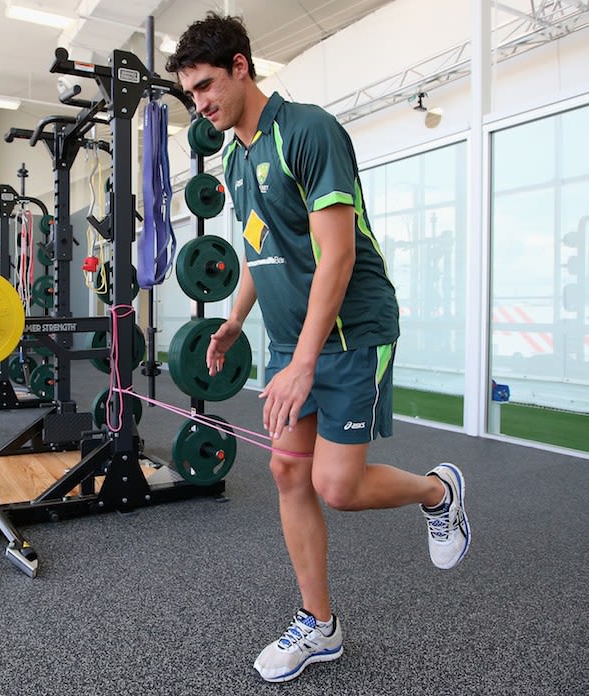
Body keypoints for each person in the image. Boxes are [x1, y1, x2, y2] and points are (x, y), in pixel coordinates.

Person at [165, 13, 471, 684]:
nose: (202, 103)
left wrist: (304, 362)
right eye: (192, 95)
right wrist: (231, 320)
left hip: (351, 331)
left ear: (242, 66)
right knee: (286, 473)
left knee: (336, 485)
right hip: (291, 338)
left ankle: (437, 493)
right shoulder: (236, 159)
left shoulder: (309, 131)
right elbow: (257, 251)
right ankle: (319, 623)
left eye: (208, 85)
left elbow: (337, 253)